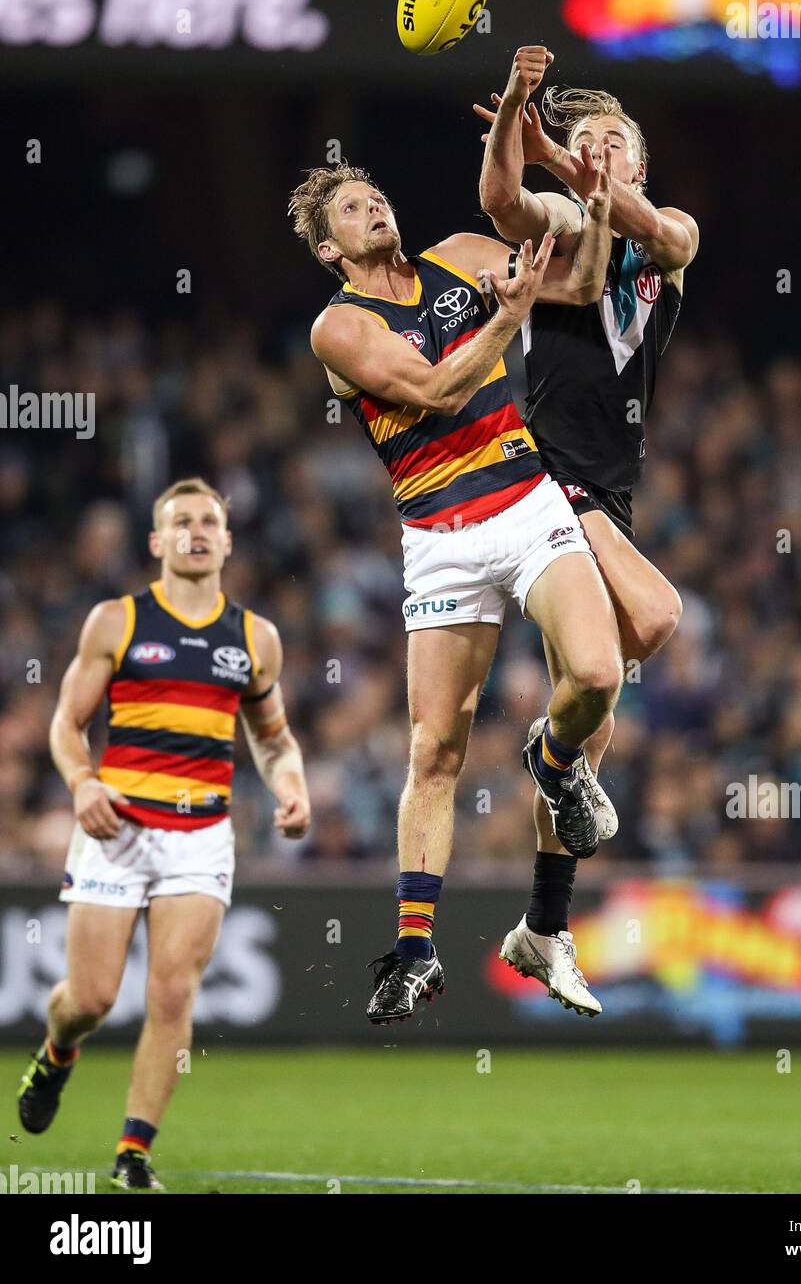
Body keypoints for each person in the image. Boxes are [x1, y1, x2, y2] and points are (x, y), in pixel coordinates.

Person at [289, 157, 621, 1024]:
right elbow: (434, 391)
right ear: (331, 248)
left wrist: (593, 200)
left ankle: (550, 761)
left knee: (597, 676)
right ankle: (413, 953)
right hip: (439, 538)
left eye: (378, 195)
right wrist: (507, 320)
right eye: (354, 209)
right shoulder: (339, 328)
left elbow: (581, 288)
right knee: (434, 750)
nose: (375, 209)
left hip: (525, 499)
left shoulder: (467, 254)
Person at [475, 46, 699, 1015]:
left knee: (591, 721)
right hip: (539, 476)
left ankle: (543, 924)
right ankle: (547, 759)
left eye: (617, 142)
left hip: (608, 491)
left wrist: (578, 163)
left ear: (639, 164)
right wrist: (514, 130)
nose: (599, 150)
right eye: (585, 139)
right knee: (653, 619)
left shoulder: (668, 230)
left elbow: (666, 239)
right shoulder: (561, 233)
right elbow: (501, 204)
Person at [17, 478, 310, 1189]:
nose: (196, 531)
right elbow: (65, 724)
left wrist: (291, 785)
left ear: (228, 541)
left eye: (210, 520)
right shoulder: (114, 623)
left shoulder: (254, 638)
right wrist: (83, 781)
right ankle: (58, 1052)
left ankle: (133, 1153)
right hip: (116, 827)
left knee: (174, 995)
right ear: (156, 542)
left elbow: (272, 740)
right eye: (181, 522)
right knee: (89, 1000)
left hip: (201, 833)